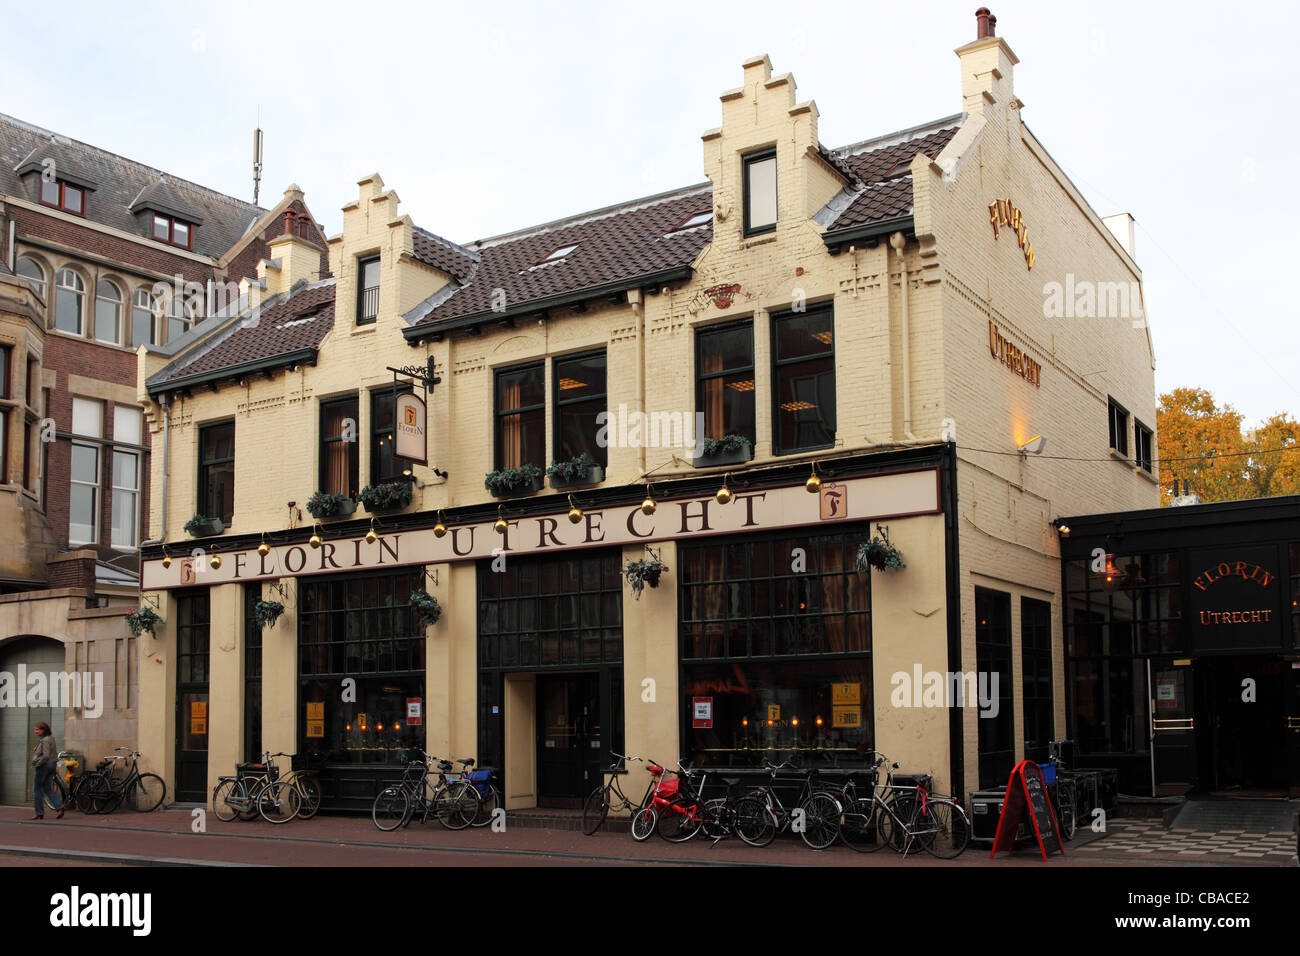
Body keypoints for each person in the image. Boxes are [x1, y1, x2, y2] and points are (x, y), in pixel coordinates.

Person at [31, 722, 64, 820]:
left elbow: (46, 755)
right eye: (35, 729)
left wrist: (38, 763)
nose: (35, 731)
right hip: (52, 765)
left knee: (36, 789)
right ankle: (59, 806)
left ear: (43, 730)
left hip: (44, 766)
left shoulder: (45, 740)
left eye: (37, 729)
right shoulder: (51, 739)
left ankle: (39, 813)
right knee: (47, 788)